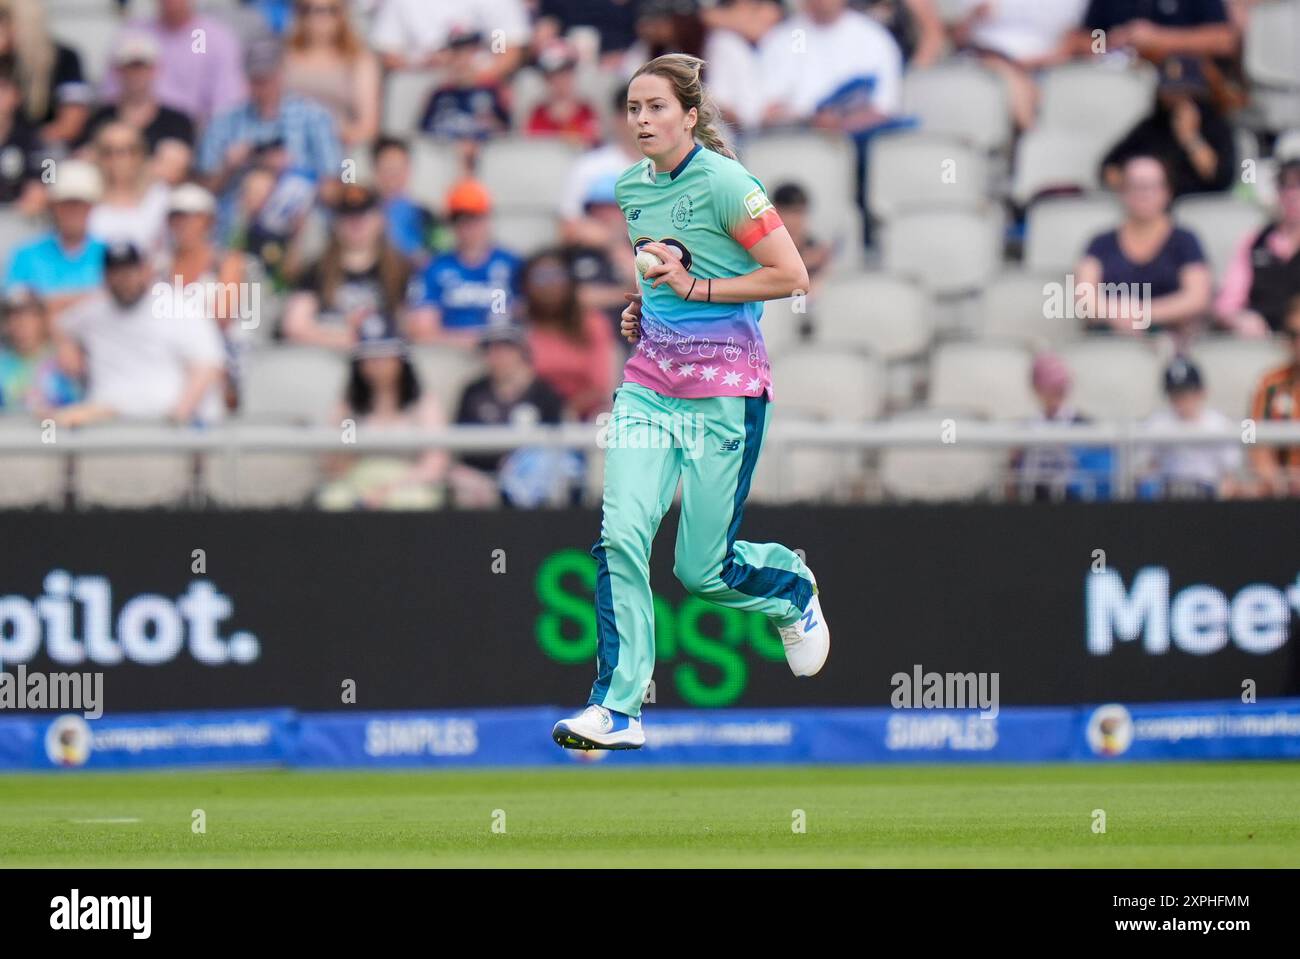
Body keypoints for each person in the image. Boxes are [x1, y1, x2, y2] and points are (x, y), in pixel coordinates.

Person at [550, 54, 828, 752]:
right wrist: (643, 314)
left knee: (700, 571)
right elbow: (665, 272)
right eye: (634, 108)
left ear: (690, 115)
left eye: (656, 107)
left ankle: (790, 586)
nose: (642, 120)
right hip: (647, 387)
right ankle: (618, 707)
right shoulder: (628, 188)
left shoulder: (729, 183)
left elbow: (790, 276)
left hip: (726, 394)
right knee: (620, 535)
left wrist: (697, 294)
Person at [50, 241, 225, 427]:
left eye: (129, 272)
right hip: (105, 419)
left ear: (145, 271)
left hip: (162, 420)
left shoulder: (177, 306)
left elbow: (208, 365)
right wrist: (67, 347)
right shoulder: (94, 310)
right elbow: (58, 325)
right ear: (105, 277)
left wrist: (179, 415)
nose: (123, 279)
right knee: (50, 425)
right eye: (115, 273)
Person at [197, 37, 343, 241]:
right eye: (256, 79)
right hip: (236, 217)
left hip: (299, 216)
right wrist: (228, 166)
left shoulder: (315, 117)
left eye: (268, 77)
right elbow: (203, 192)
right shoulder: (225, 121)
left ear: (281, 74)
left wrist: (291, 170)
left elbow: (333, 186)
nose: (262, 86)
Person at [317, 312, 450, 510]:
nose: (376, 364)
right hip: (359, 482)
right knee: (335, 500)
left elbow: (434, 463)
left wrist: (391, 488)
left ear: (400, 359)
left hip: (409, 483)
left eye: (383, 355)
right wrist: (362, 489)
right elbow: (336, 461)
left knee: (413, 502)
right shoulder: (350, 407)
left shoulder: (422, 404)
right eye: (369, 357)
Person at [1074, 155, 1212, 339]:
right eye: (1136, 186)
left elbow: (1197, 298)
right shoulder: (1100, 243)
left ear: (1167, 192)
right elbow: (1084, 299)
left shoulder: (1185, 241)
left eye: (1152, 187)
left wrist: (1143, 314)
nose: (1144, 194)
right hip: (1109, 338)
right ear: (1122, 192)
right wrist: (1117, 315)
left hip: (1172, 341)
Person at [452, 319, 567, 508]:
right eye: (490, 348)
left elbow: (555, 444)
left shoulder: (545, 394)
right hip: (483, 476)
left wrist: (516, 462)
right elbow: (462, 446)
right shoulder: (473, 392)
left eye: (505, 347)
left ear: (521, 351)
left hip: (531, 478)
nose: (497, 355)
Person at [282, 184, 410, 349]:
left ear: (380, 220)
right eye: (348, 216)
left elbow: (411, 326)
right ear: (336, 223)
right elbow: (294, 326)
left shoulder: (400, 270)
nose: (356, 223)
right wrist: (348, 339)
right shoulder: (317, 269)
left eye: (364, 215)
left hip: (382, 361)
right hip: (328, 361)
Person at [406, 179, 522, 347]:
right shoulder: (435, 268)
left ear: (488, 218)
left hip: (502, 355)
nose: (468, 226)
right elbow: (423, 331)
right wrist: (476, 341)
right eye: (460, 219)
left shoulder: (511, 265)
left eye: (475, 217)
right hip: (450, 357)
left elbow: (524, 320)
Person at [1101, 56, 1235, 198]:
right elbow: (1109, 168)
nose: (1176, 98)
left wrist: (1190, 138)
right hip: (1153, 208)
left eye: (1184, 90)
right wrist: (1137, 186)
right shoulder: (1151, 127)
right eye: (1171, 91)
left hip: (1201, 205)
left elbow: (1219, 178)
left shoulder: (1216, 126)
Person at [101, 0, 248, 126]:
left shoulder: (215, 38)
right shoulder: (133, 32)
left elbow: (227, 105)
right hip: (136, 134)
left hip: (196, 135)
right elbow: (111, 97)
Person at [78, 33, 195, 187]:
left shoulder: (177, 121)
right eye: (130, 68)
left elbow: (176, 170)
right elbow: (84, 162)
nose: (136, 75)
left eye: (142, 67)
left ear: (155, 70)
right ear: (117, 72)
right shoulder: (99, 118)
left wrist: (112, 162)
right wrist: (152, 167)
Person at [519, 249, 616, 421]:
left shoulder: (593, 323)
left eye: (556, 275)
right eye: (540, 277)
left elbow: (600, 386)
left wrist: (565, 411)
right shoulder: (522, 327)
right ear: (527, 285)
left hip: (588, 417)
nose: (549, 285)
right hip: (532, 414)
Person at [3, 159, 106, 315]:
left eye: (79, 204)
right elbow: (14, 306)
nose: (73, 211)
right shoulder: (26, 254)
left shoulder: (109, 254)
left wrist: (49, 302)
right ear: (54, 206)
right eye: (66, 204)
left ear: (91, 207)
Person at [1010, 351, 1113, 501]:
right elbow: (1013, 480)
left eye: (1060, 388)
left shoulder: (1085, 425)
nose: (1056, 393)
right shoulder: (1024, 428)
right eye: (1050, 388)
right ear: (1036, 389)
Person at [1215, 158, 1300, 336]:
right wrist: (1239, 318)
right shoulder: (1255, 242)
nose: (1293, 195)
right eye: (1286, 186)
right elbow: (1226, 304)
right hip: (1260, 340)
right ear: (1277, 192)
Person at [1138, 357, 1242, 498]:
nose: (1181, 401)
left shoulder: (1219, 424)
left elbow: (1230, 475)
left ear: (1202, 392)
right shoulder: (1157, 423)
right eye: (1175, 395)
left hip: (1208, 493)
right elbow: (1146, 468)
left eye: (1187, 393)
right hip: (1167, 493)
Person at [282, 0, 381, 148]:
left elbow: (368, 126)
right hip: (287, 142)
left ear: (341, 13)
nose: (316, 18)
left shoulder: (359, 60)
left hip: (339, 144)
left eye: (327, 10)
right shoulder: (284, 55)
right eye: (307, 9)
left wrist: (326, 136)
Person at [0, 0, 91, 147]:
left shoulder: (64, 57)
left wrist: (28, 143)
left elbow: (72, 122)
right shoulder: (4, 61)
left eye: (5, 18)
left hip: (46, 151)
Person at [87, 121, 171, 258]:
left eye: (129, 150)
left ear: (141, 154)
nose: (119, 159)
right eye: (108, 152)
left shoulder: (159, 197)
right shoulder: (84, 196)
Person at [1246, 296, 1300, 496]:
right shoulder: (1270, 383)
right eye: (1293, 334)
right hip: (1281, 491)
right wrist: (1271, 476)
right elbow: (1248, 432)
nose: (1298, 342)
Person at [0, 286, 79, 412]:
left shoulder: (64, 359)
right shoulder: (2, 363)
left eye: (30, 316)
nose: (21, 324)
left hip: (54, 429)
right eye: (12, 317)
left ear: (43, 320)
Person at [372, 136, 440, 269]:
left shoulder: (427, 215)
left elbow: (438, 257)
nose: (392, 175)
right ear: (375, 170)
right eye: (387, 167)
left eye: (398, 167)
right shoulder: (363, 214)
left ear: (409, 170)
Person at [525, 41, 600, 148]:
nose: (562, 80)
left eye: (567, 72)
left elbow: (595, 146)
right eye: (555, 75)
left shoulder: (586, 111)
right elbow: (531, 147)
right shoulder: (538, 113)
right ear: (547, 79)